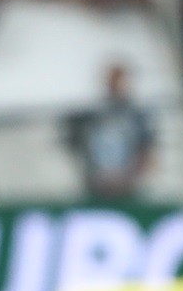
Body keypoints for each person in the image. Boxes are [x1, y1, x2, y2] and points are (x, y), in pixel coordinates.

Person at [65, 61, 154, 201]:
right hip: (97, 185)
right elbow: (78, 146)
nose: (116, 85)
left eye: (119, 81)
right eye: (112, 80)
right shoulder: (92, 116)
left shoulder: (136, 116)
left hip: (128, 187)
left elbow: (146, 150)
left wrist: (130, 176)